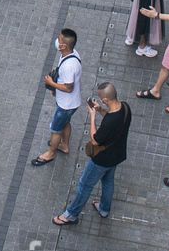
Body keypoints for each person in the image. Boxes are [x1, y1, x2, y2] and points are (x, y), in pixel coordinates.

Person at [53, 83, 131, 225]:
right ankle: (104, 209)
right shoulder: (125, 107)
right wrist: (100, 110)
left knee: (84, 185)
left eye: (102, 100)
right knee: (108, 181)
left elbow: (95, 140)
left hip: (101, 159)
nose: (101, 101)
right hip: (117, 155)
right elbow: (110, 118)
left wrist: (93, 117)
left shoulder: (109, 122)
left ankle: (71, 215)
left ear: (106, 99)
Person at [31, 29, 82, 166]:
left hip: (66, 105)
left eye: (59, 39)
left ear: (64, 46)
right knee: (65, 123)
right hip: (71, 102)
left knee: (55, 129)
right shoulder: (72, 54)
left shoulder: (69, 66)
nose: (57, 41)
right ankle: (65, 145)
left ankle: (51, 152)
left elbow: (68, 87)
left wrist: (51, 83)